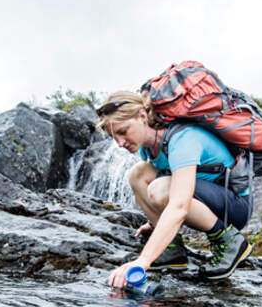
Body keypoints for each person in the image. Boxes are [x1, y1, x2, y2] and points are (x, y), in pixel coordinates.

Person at [96, 90, 253, 287]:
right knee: (138, 174)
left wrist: (143, 260)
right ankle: (173, 251)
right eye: (114, 136)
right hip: (208, 197)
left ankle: (228, 240)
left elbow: (178, 205)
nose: (119, 143)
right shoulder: (148, 146)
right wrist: (156, 224)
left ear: (142, 117)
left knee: (160, 190)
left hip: (235, 206)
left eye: (123, 132)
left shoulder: (182, 140)